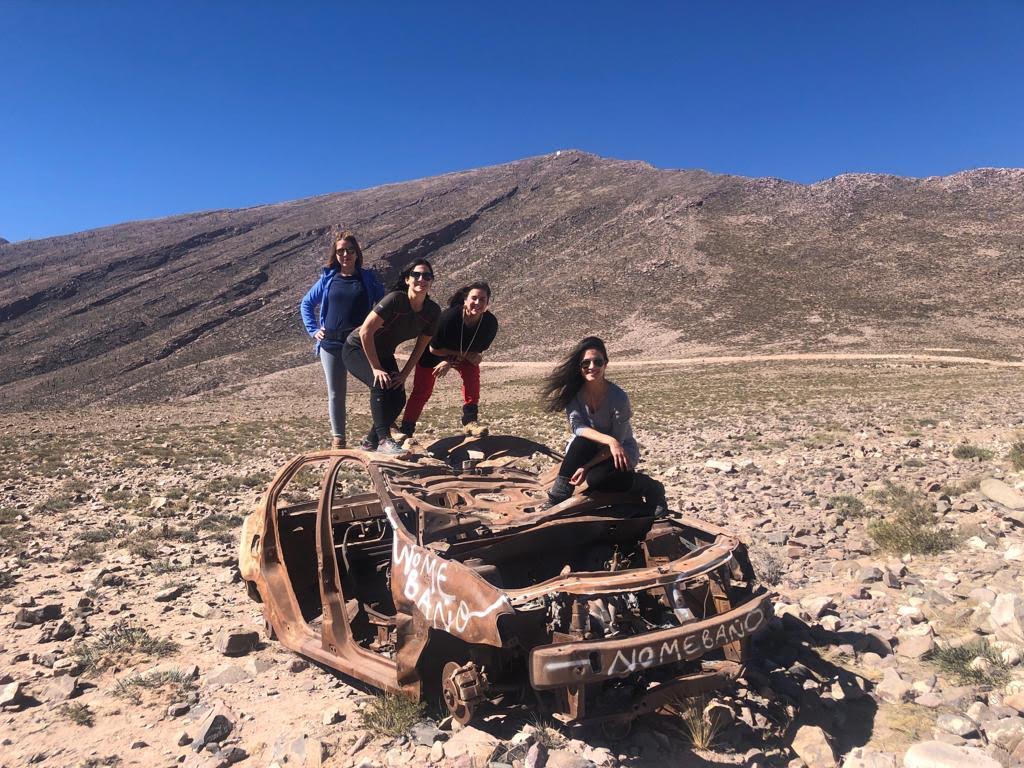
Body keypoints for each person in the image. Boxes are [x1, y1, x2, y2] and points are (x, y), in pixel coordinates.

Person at [539, 336, 666, 509]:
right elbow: (577, 427)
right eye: (586, 363)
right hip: (592, 447)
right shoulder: (573, 393)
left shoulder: (618, 397)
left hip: (618, 452)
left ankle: (650, 486)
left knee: (597, 480)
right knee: (581, 441)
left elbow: (618, 441)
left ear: (605, 363)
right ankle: (557, 497)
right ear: (579, 367)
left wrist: (587, 466)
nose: (592, 367)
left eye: (597, 362)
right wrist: (608, 441)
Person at [342, 258, 441, 455]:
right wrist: (376, 368)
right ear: (407, 280)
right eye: (416, 275)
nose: (421, 279)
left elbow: (420, 347)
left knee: (397, 396)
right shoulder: (395, 300)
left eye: (427, 276)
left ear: (431, 282)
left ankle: (369, 442)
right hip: (357, 348)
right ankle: (383, 439)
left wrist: (404, 374)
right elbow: (365, 332)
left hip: (385, 353)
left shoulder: (432, 312)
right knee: (380, 383)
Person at [300, 231, 385, 448]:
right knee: (336, 392)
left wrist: (376, 327)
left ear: (357, 253)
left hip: (358, 343)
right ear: (335, 254)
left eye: (349, 250)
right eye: (340, 251)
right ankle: (339, 437)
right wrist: (313, 330)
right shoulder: (328, 279)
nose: (345, 254)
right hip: (331, 344)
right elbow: (306, 304)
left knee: (378, 383)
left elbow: (383, 303)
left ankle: (380, 431)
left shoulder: (367, 278)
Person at [397, 282, 498, 438]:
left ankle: (470, 420)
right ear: (465, 300)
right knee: (422, 391)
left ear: (487, 303)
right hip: (432, 353)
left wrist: (452, 360)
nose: (477, 303)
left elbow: (475, 353)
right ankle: (406, 429)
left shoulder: (489, 323)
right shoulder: (449, 317)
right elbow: (433, 348)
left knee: (472, 372)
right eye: (474, 298)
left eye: (482, 299)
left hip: (459, 354)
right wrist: (448, 360)